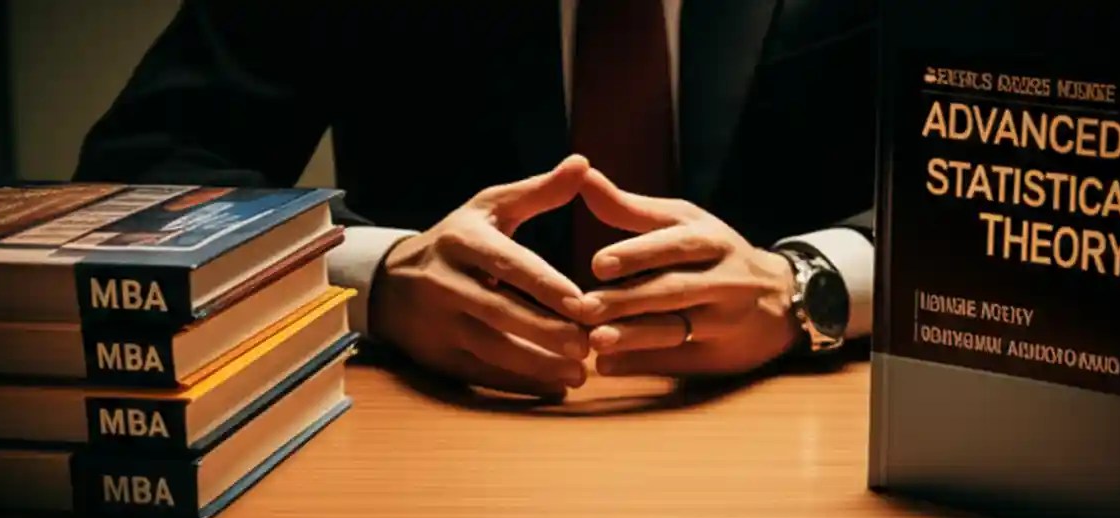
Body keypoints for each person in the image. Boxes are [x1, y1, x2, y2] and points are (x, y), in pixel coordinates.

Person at [74, 0, 878, 398]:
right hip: (410, 448)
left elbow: (996, 163)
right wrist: (375, 279)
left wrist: (811, 285)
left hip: (802, 436)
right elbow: (142, 175)